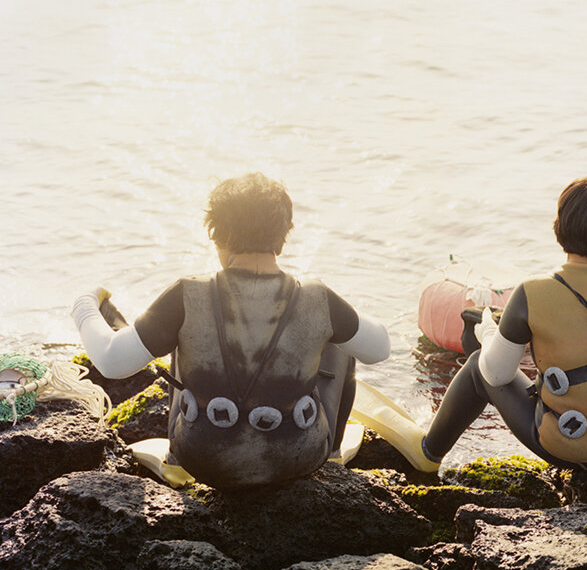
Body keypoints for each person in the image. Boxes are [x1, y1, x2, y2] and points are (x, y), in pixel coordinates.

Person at [72, 173, 390, 489]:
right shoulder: (317, 296)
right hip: (299, 458)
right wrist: (332, 316)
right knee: (337, 339)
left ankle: (175, 461)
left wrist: (85, 305)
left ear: (217, 233)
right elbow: (379, 349)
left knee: (185, 335)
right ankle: (332, 454)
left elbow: (112, 362)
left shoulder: (188, 292)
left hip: (203, 458)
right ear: (284, 233)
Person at [419, 174, 587, 471]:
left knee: (477, 365)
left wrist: (487, 334)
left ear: (558, 227)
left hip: (568, 446)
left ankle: (427, 454)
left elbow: (495, 376)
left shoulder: (531, 292)